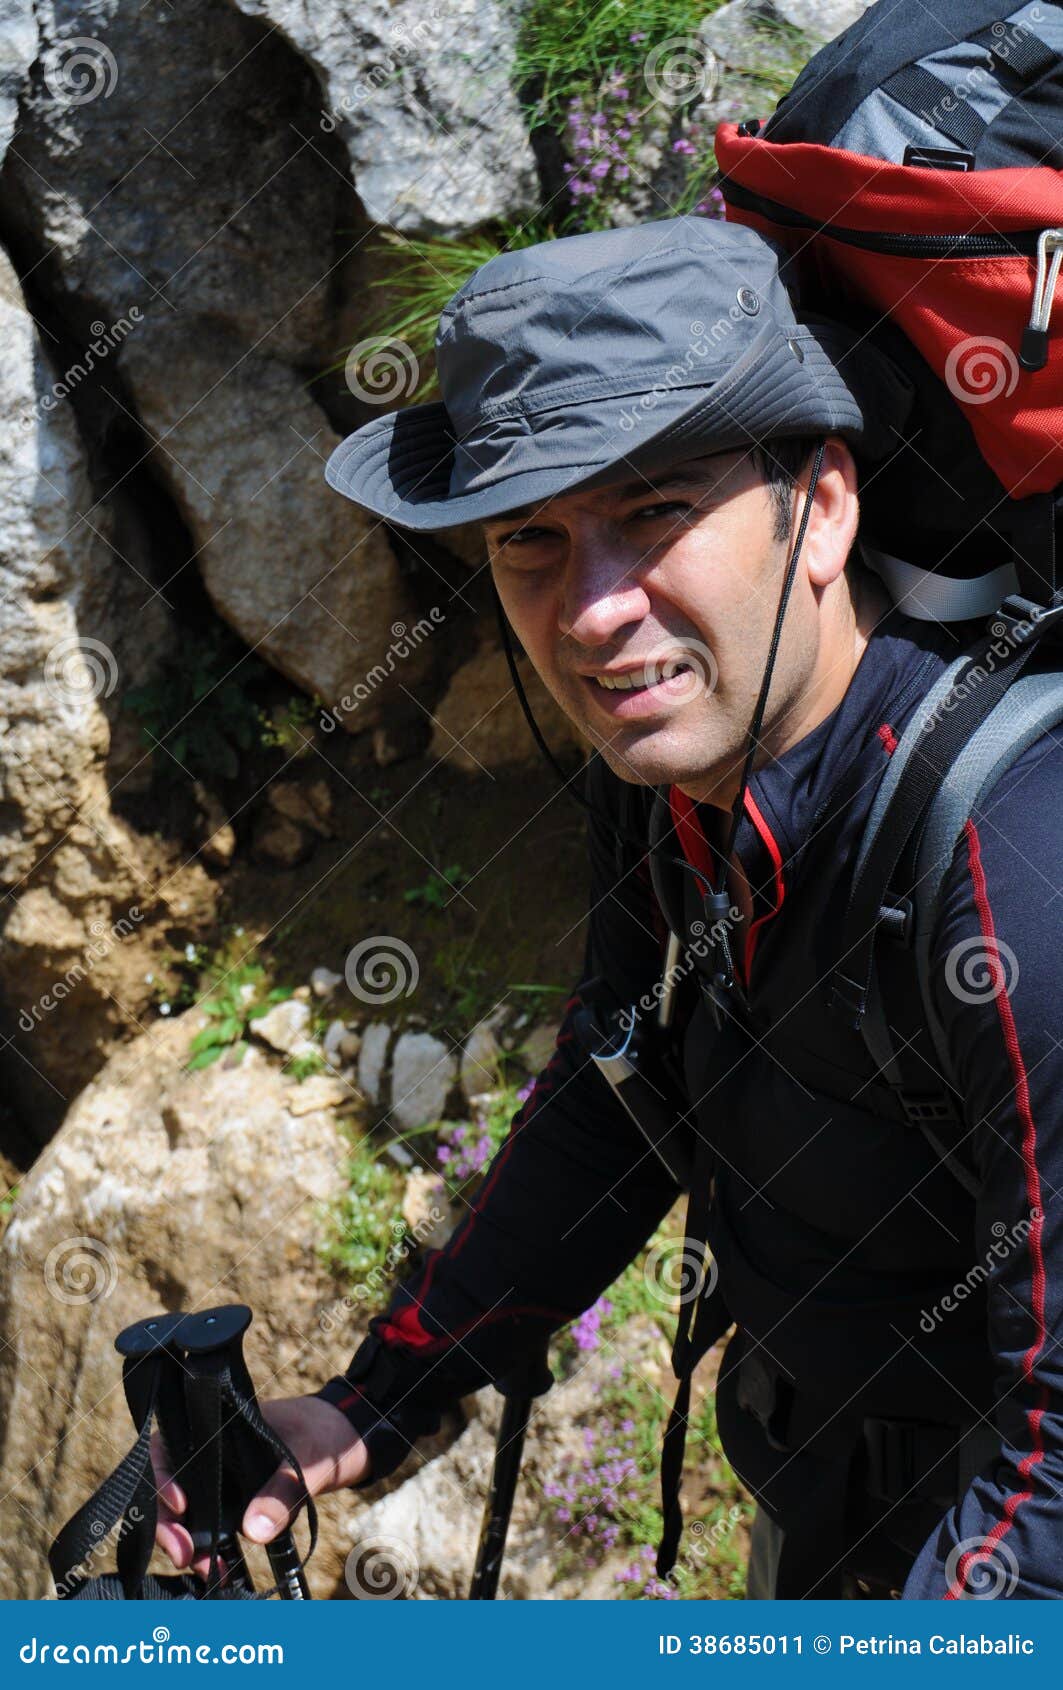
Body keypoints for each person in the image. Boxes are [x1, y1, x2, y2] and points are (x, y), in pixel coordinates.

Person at [152, 216, 1063, 1599]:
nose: (591, 612)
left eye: (653, 515)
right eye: (531, 539)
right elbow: (622, 1091)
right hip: (837, 1504)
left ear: (820, 507)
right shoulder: (674, 771)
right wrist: (377, 1398)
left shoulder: (1008, 844)